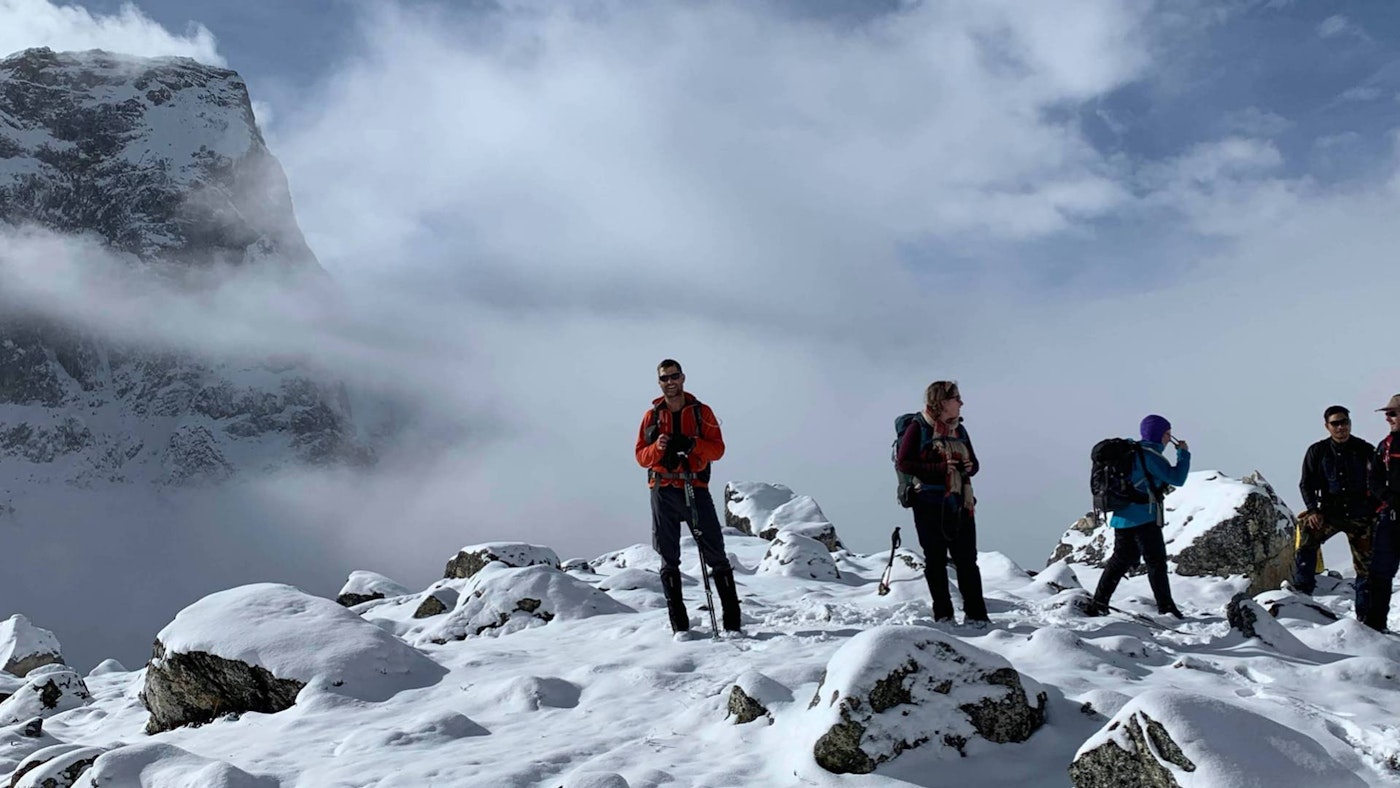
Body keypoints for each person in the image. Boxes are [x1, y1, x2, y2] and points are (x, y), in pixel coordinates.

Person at [634, 359, 741, 634]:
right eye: (664, 378)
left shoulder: (701, 412)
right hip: (663, 489)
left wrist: (693, 444)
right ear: (659, 382)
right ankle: (679, 629)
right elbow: (640, 456)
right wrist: (658, 448)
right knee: (668, 558)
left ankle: (732, 623)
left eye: (674, 376)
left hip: (695, 487)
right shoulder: (652, 416)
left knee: (716, 554)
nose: (670, 382)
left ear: (683, 378)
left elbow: (717, 450)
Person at [895, 381, 989, 625]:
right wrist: (939, 468)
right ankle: (944, 615)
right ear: (942, 402)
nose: (961, 403)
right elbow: (904, 463)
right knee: (935, 560)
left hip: (960, 501)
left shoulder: (960, 430)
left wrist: (970, 466)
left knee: (967, 559)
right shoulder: (919, 427)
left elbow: (974, 462)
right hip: (928, 502)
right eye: (956, 398)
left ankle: (977, 615)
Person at [1087, 415, 1191, 619]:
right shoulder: (1151, 456)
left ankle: (1099, 602)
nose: (1169, 438)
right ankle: (1167, 608)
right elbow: (1177, 479)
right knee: (1156, 561)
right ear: (1160, 434)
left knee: (1120, 560)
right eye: (1167, 433)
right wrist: (1183, 454)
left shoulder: (1130, 451)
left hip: (1122, 515)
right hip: (1144, 516)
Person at [1294, 405, 1376, 620]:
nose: (1341, 427)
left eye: (1344, 422)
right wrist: (1313, 510)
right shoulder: (1318, 451)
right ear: (1327, 426)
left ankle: (1366, 619)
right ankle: (1302, 594)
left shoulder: (1365, 449)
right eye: (1335, 423)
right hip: (1328, 513)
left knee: (1366, 568)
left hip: (1361, 516)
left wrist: (1377, 512)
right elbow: (1306, 483)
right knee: (1306, 536)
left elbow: (1378, 482)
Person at [1365, 395, 1400, 632]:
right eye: (1387, 413)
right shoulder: (1385, 446)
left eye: (1394, 413)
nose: (1388, 418)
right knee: (1379, 574)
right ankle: (1375, 629)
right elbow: (1373, 479)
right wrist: (1388, 498)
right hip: (1392, 518)